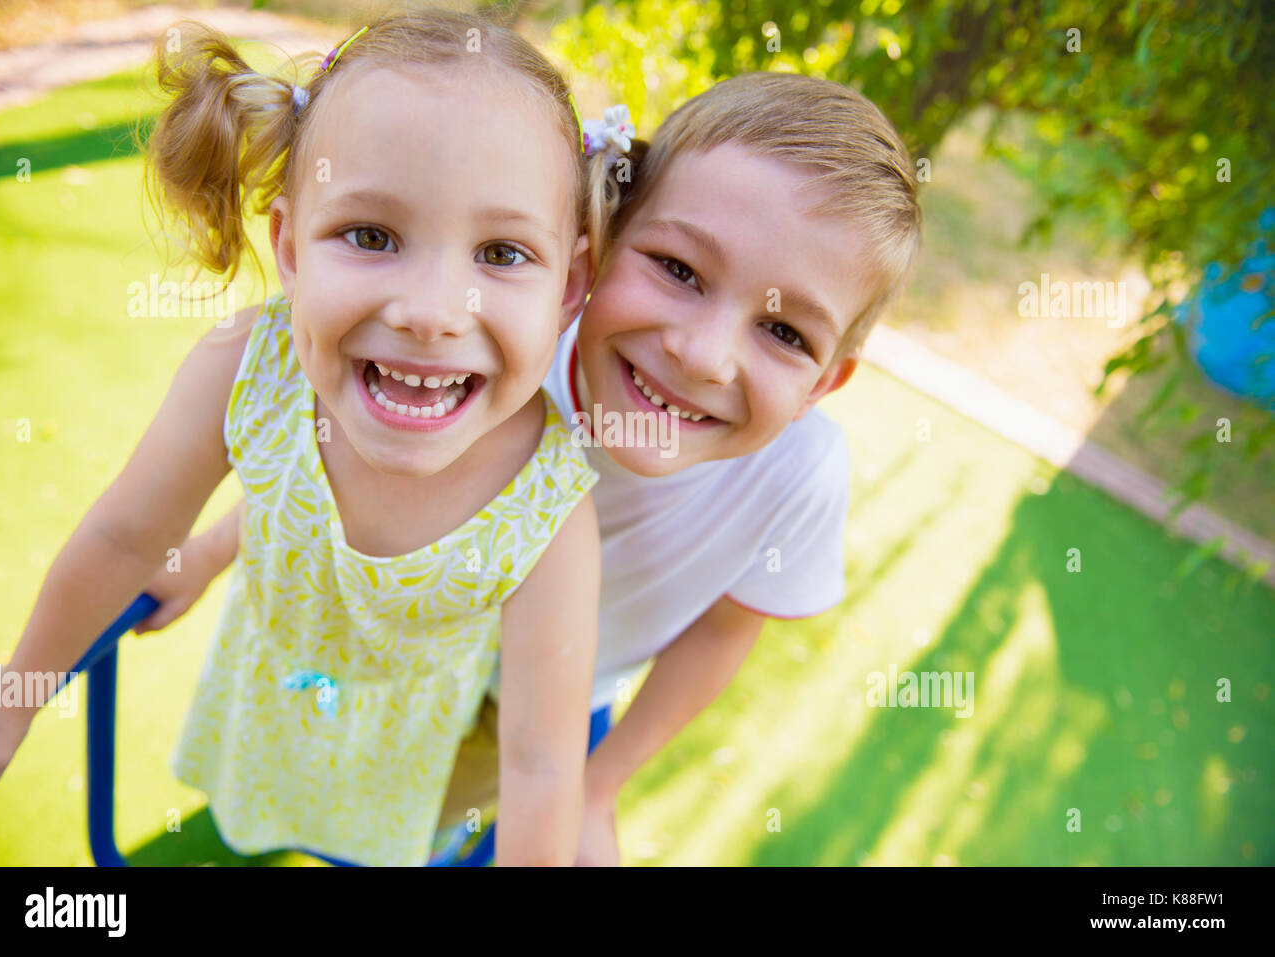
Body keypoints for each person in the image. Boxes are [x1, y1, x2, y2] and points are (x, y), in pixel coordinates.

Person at [134, 72, 922, 865]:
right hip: (397, 650)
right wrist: (207, 549)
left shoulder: (799, 477)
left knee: (411, 836)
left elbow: (722, 631)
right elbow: (356, 472)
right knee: (304, 785)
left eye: (784, 333)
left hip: (531, 708)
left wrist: (599, 787)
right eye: (679, 269)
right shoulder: (500, 357)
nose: (702, 354)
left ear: (824, 382)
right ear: (600, 241)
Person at [0, 10, 605, 868]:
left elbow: (539, 761)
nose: (429, 312)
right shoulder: (248, 369)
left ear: (568, 288)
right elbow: (127, 536)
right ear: (291, 248)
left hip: (399, 769)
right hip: (261, 707)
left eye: (500, 252)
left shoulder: (549, 508)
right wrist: (14, 696)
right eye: (371, 236)